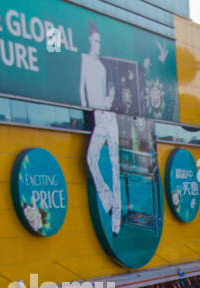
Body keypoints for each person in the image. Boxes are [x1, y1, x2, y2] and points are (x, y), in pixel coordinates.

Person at [80, 23, 121, 235]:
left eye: (100, 42)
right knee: (91, 159)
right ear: (89, 40)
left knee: (115, 167)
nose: (98, 46)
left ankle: (116, 223)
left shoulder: (103, 68)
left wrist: (110, 98)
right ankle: (107, 200)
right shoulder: (85, 61)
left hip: (108, 118)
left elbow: (106, 98)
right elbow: (82, 90)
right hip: (97, 118)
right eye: (96, 41)